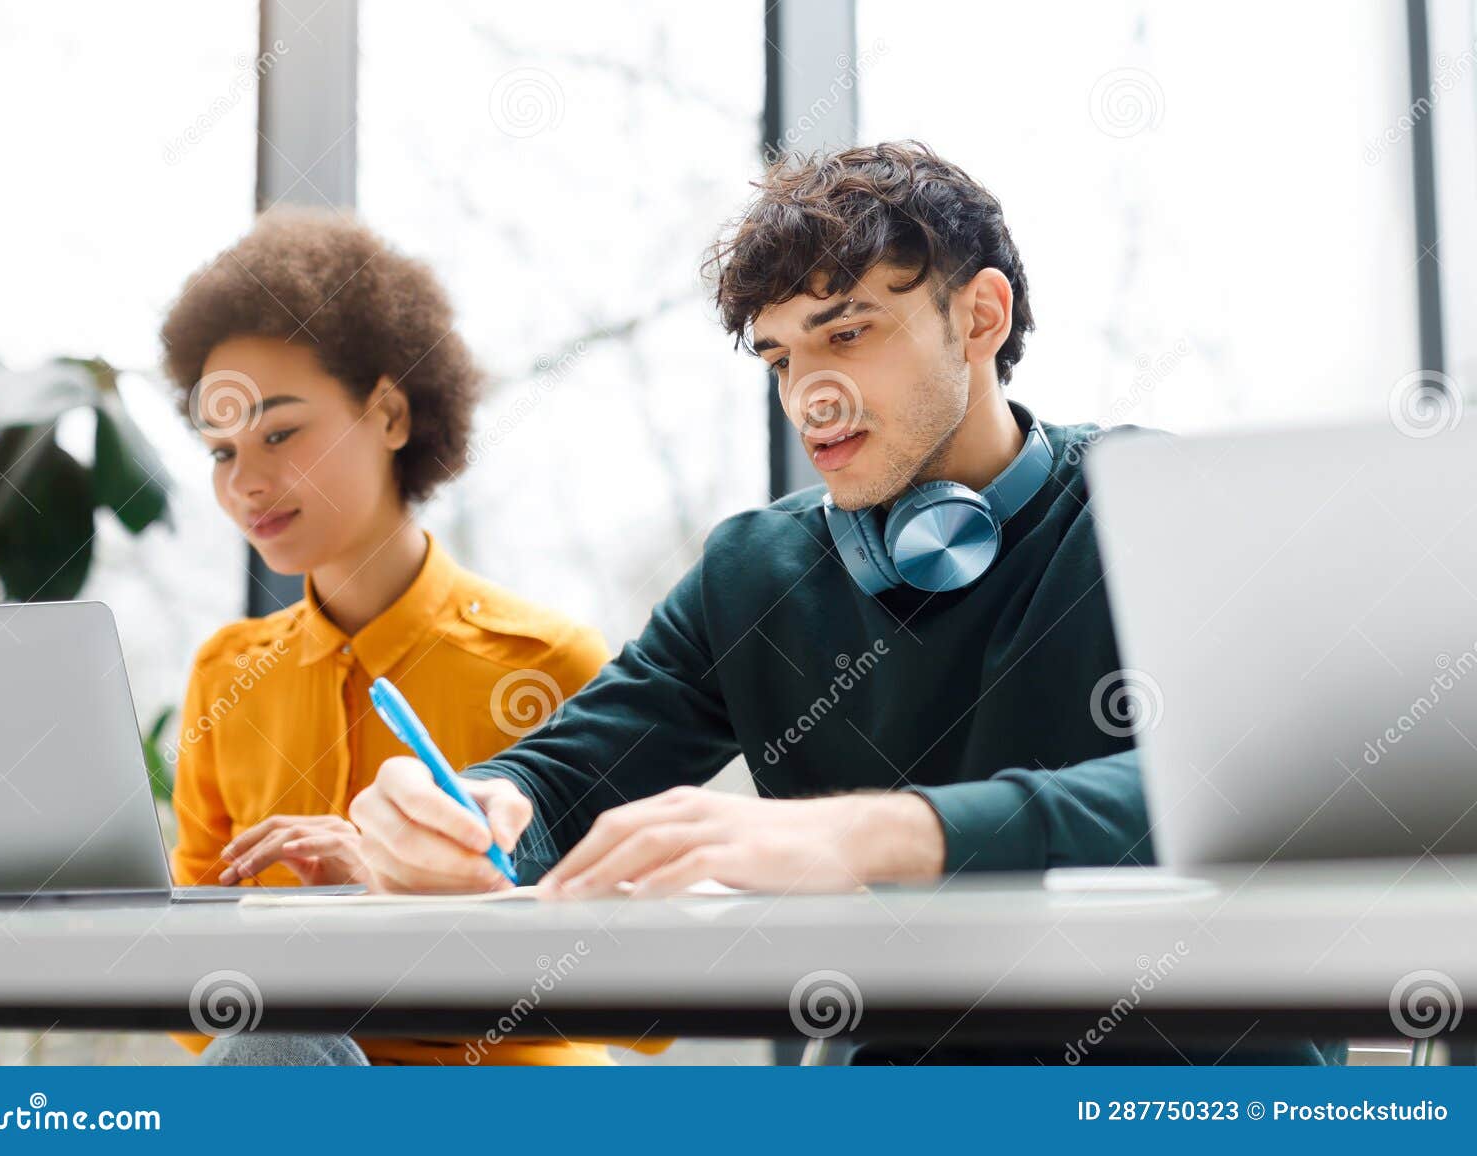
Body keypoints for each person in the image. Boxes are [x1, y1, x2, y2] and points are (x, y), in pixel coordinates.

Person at [346, 142, 1339, 1066]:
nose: (808, 395)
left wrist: (868, 834)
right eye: (780, 358)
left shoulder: (1153, 503)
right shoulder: (754, 572)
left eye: (848, 334)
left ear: (980, 317)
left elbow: (1245, 788)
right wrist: (480, 811)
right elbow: (561, 784)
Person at [157, 209, 638, 1065]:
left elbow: (643, 1007)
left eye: (279, 432)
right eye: (222, 453)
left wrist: (389, 907)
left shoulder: (548, 666)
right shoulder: (226, 675)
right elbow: (194, 996)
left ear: (388, 414)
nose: (249, 483)